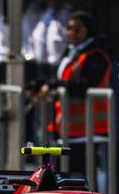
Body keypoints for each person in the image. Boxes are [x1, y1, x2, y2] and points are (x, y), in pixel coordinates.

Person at [39, 10, 110, 142]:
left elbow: (85, 86)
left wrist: (56, 85)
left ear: (88, 30)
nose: (72, 33)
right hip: (67, 129)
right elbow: (62, 78)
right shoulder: (71, 51)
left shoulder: (95, 56)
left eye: (78, 29)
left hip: (89, 132)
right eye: (69, 28)